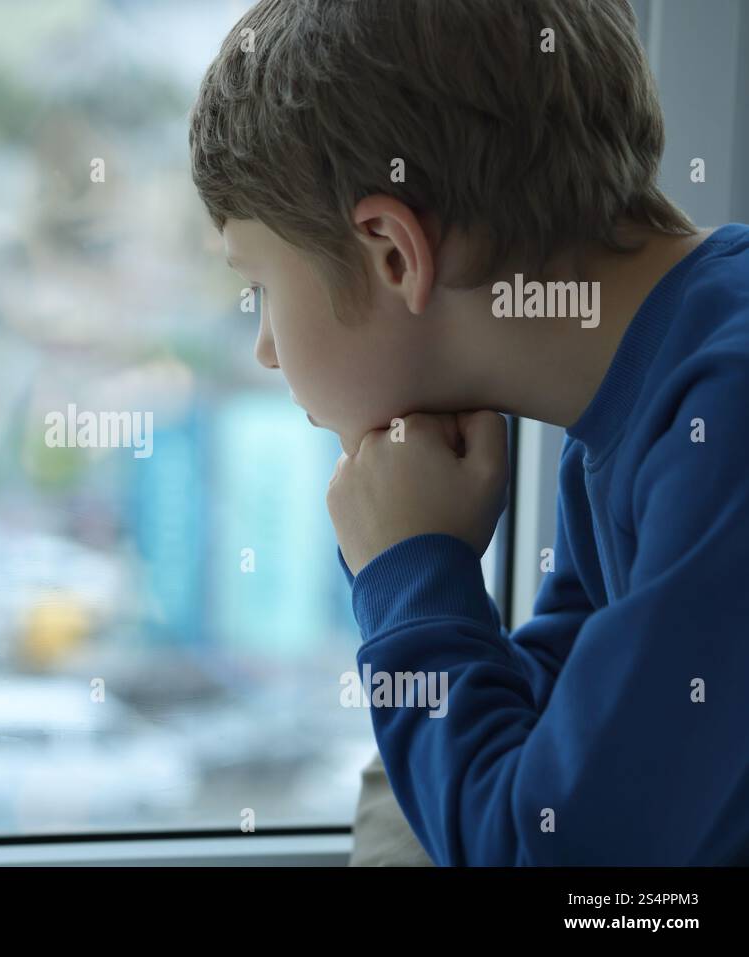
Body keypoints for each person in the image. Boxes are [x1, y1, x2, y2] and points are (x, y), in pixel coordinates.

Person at [188, 0, 749, 865]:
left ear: (393, 254)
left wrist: (408, 570)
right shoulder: (634, 403)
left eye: (259, 288)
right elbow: (548, 745)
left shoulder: (723, 422)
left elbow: (560, 867)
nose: (264, 350)